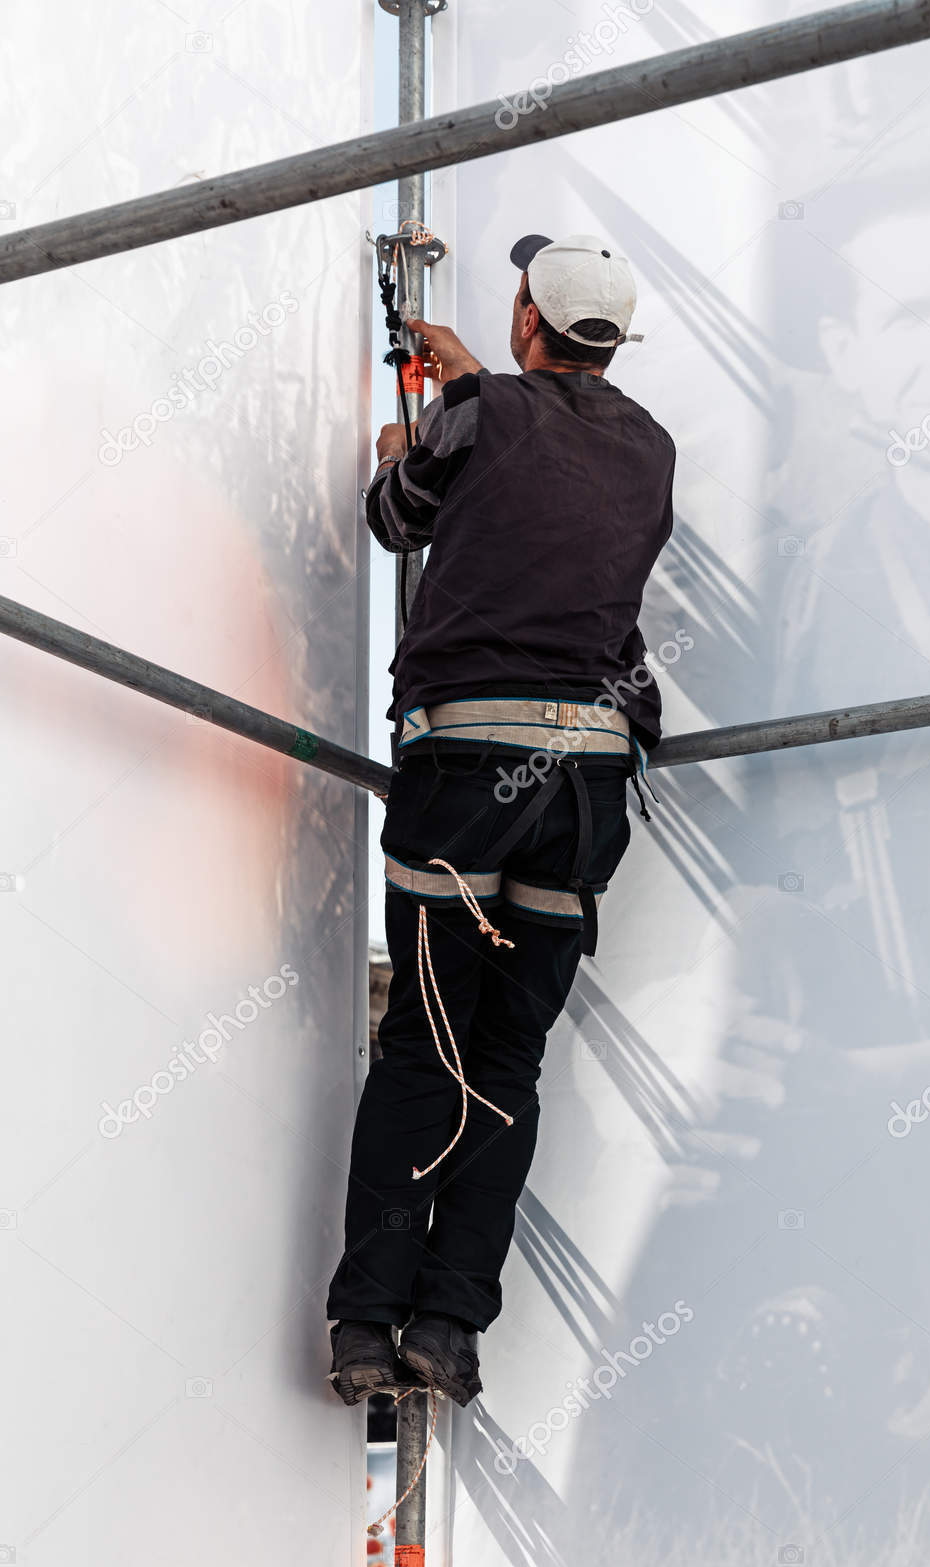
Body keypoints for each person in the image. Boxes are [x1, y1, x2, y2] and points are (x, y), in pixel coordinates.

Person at [326, 233, 676, 1406]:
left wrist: (404, 444)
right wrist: (480, 389)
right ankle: (448, 1328)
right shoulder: (650, 447)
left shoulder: (473, 410)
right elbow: (550, 493)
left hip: (467, 769)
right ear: (609, 342)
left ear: (528, 319)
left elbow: (395, 518)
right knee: (505, 1065)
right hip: (581, 787)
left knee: (423, 1049)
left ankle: (365, 1324)